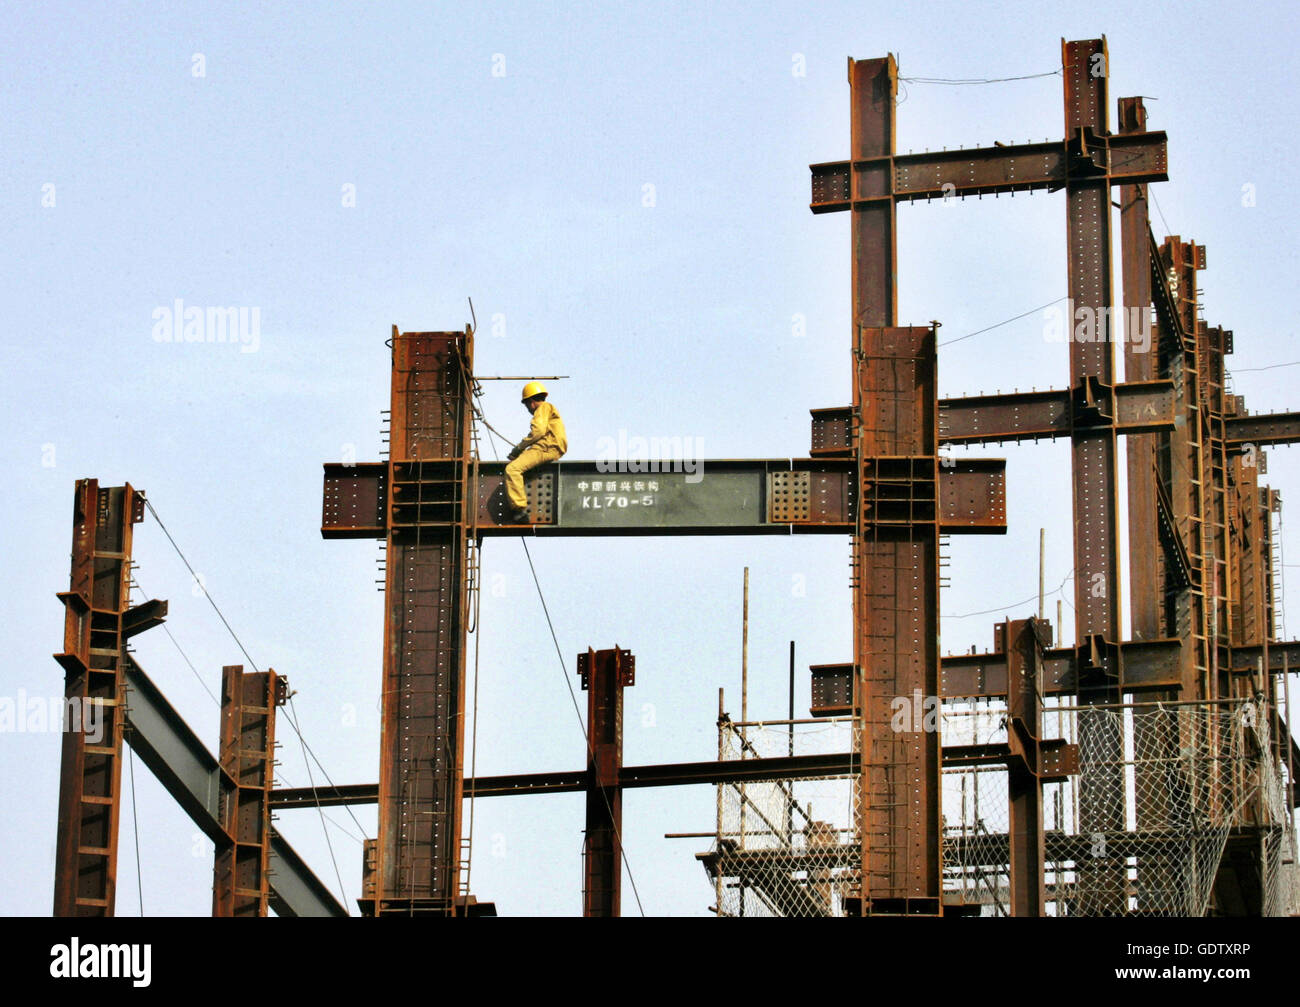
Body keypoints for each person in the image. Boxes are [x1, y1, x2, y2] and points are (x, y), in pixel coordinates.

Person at [504, 381, 567, 521]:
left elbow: (538, 431)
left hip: (546, 448)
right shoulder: (549, 409)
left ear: (531, 401)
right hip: (549, 447)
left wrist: (519, 448)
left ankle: (519, 510)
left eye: (526, 404)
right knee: (521, 463)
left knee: (512, 469)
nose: (527, 408)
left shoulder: (543, 408)